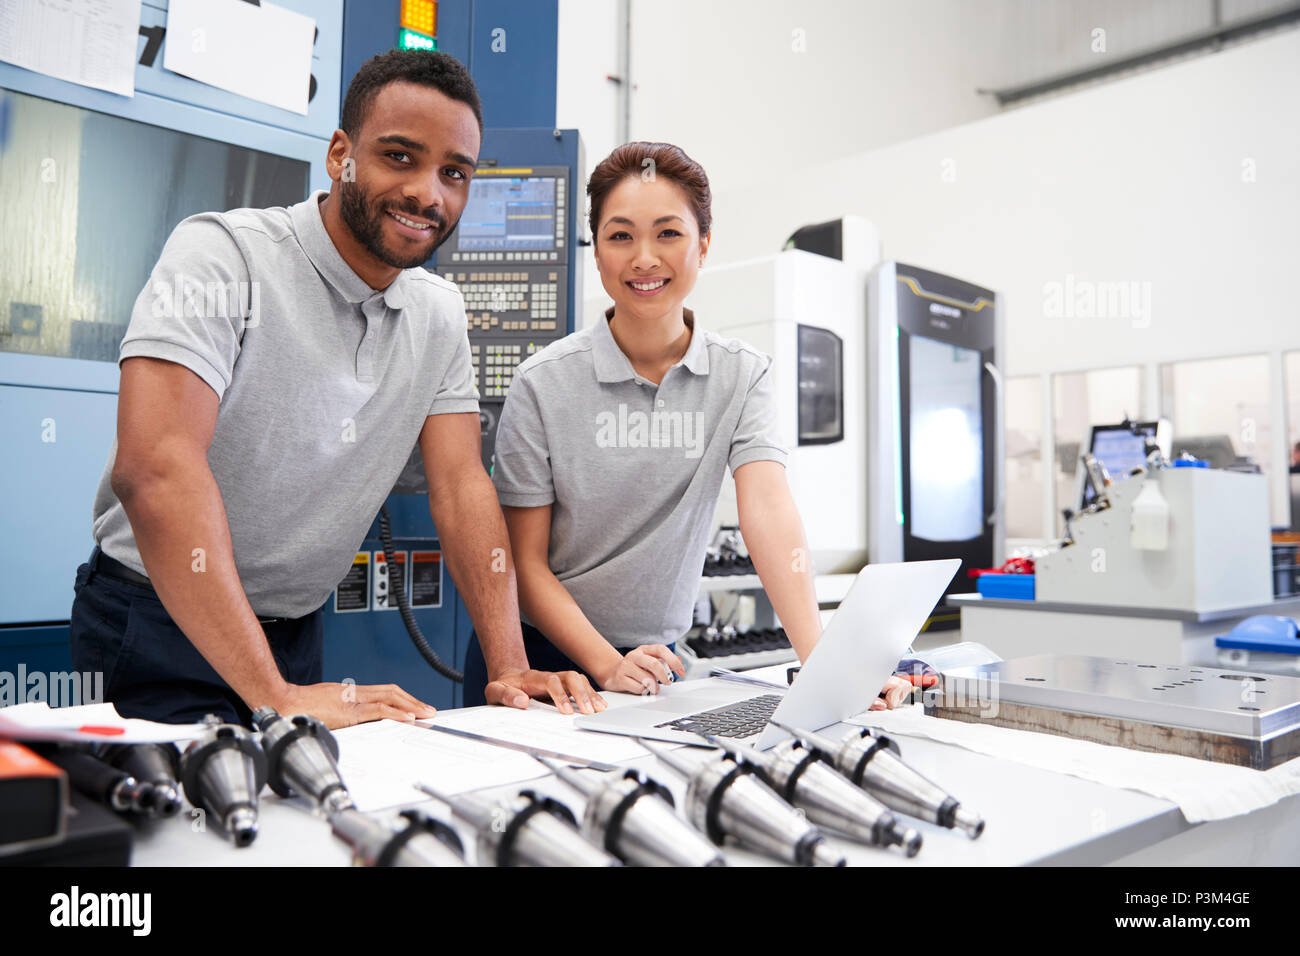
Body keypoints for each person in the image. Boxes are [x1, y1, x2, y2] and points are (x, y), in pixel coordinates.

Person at [69, 50, 603, 728]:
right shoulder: (223, 256)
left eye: (454, 173)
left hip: (292, 633)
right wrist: (276, 695)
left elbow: (462, 484)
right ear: (340, 154)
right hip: (155, 623)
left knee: (294, 826)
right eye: (400, 157)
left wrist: (507, 664)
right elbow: (155, 471)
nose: (427, 195)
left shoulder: (438, 313)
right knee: (181, 830)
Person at [462, 141, 911, 709]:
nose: (644, 258)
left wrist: (824, 663)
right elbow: (524, 563)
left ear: (702, 245)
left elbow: (769, 512)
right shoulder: (542, 383)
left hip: (657, 661)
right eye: (620, 235)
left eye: (668, 233)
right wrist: (605, 663)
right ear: (596, 252)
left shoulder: (742, 376)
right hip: (548, 664)